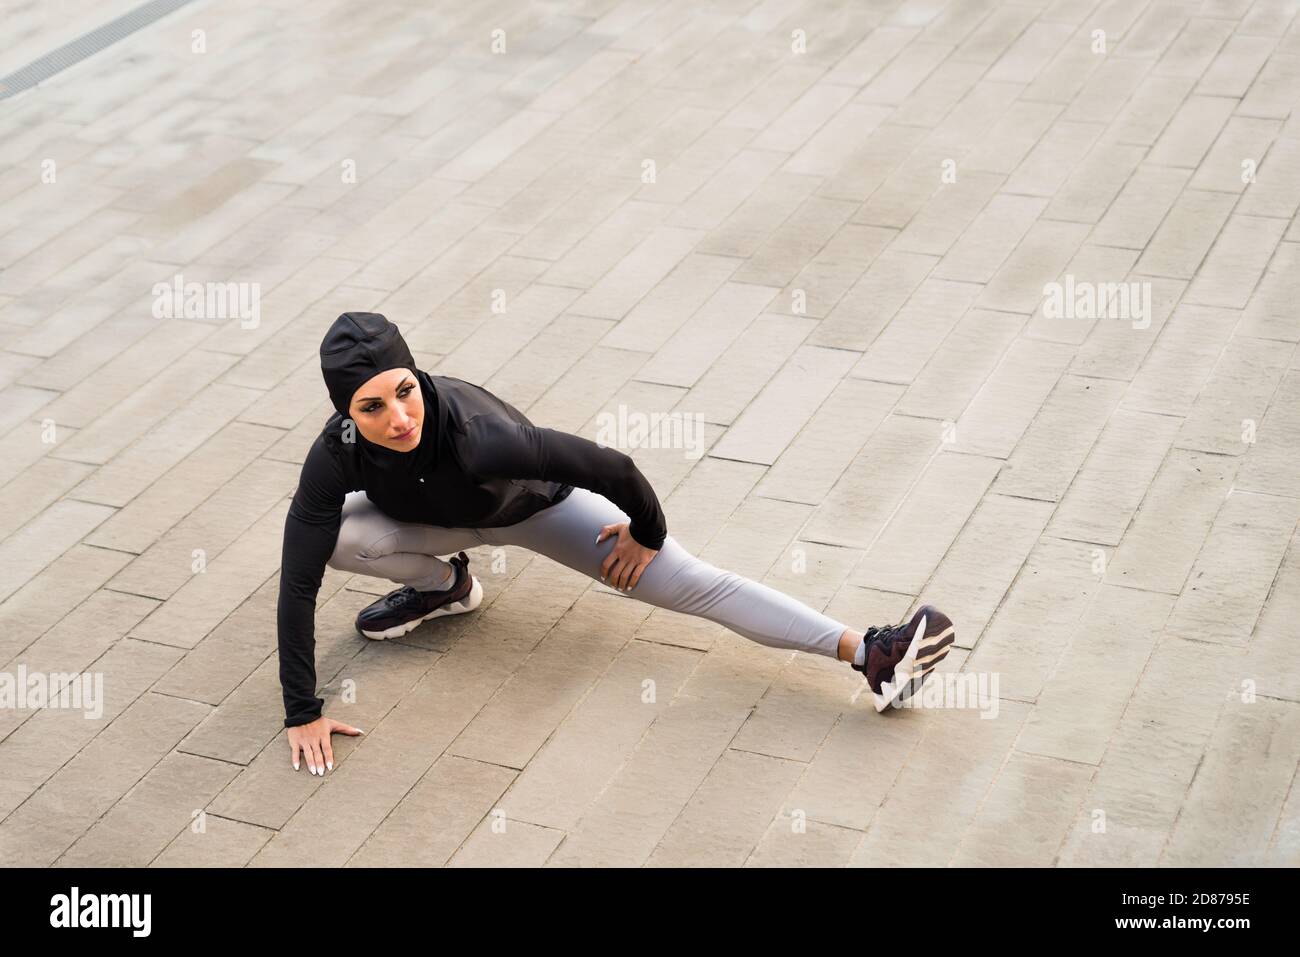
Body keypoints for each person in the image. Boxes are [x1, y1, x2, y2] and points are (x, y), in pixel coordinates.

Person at [279, 313, 955, 775]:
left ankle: (875, 654)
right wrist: (302, 712)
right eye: (372, 408)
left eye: (404, 391)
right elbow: (298, 578)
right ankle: (445, 587)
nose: (398, 417)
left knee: (691, 584)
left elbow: (610, 467)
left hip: (539, 510)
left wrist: (647, 532)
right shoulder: (333, 457)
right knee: (335, 536)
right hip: (443, 522)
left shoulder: (480, 434)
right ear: (345, 413)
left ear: (415, 374)